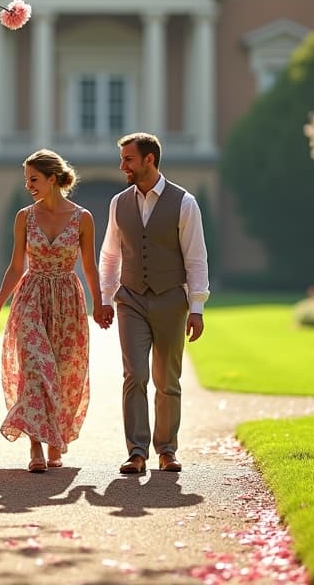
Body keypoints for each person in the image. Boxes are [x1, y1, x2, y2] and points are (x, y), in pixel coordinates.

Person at [0, 149, 110, 473]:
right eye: (27, 180)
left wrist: (99, 304)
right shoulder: (24, 216)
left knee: (66, 372)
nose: (28, 185)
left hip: (68, 300)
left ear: (53, 179)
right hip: (31, 298)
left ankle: (56, 440)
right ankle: (36, 446)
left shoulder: (83, 218)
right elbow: (15, 267)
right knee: (35, 370)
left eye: (34, 179)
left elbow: (90, 267)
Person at [97, 132, 210, 475]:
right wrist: (104, 298)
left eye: (128, 159)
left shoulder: (185, 202)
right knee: (135, 375)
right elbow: (110, 255)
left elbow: (196, 258)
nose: (122, 166)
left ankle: (167, 450)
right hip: (130, 298)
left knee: (167, 379)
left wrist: (197, 307)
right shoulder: (119, 203)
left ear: (149, 159)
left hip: (171, 300)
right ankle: (136, 451)